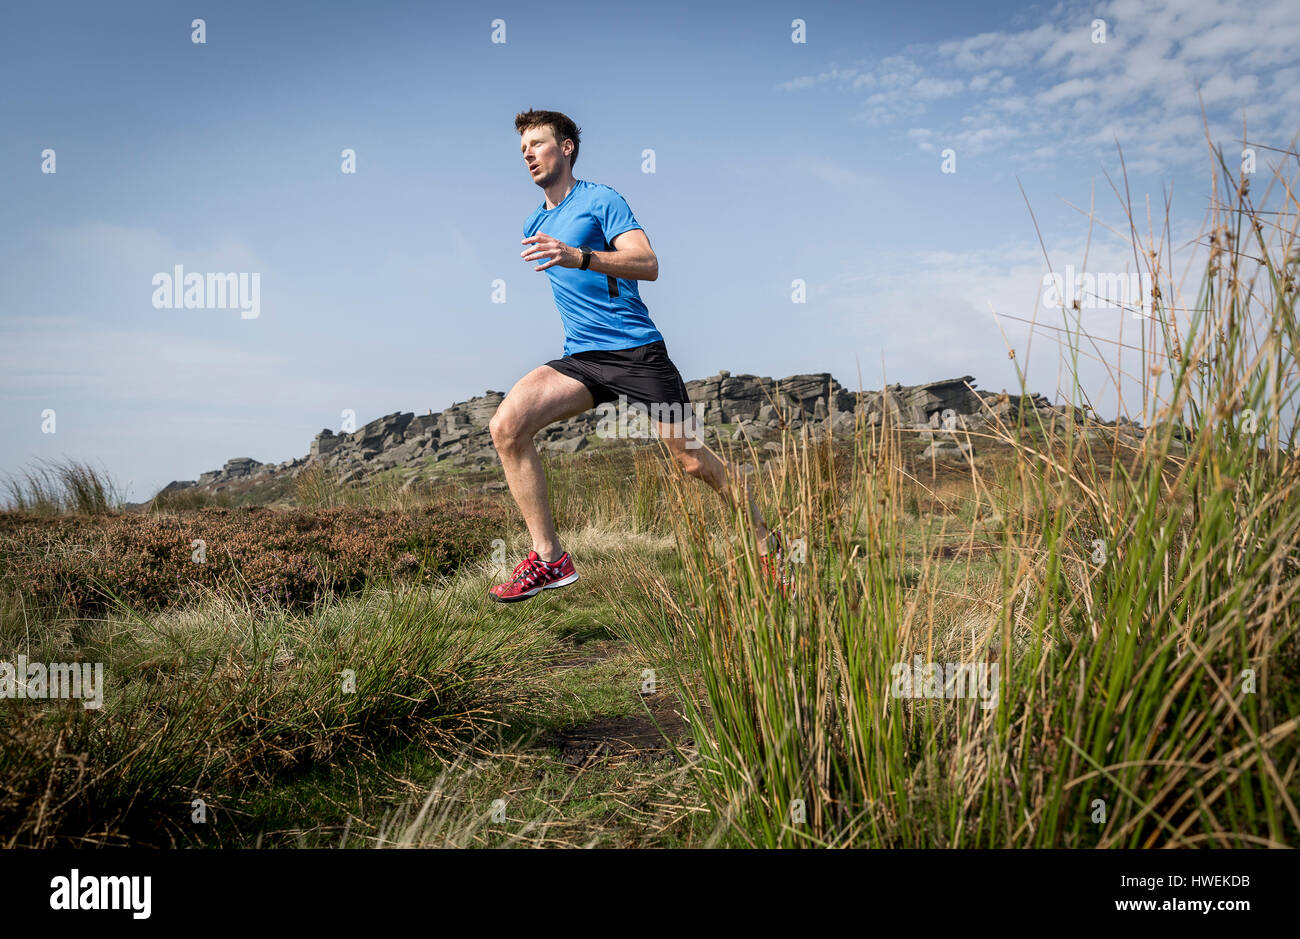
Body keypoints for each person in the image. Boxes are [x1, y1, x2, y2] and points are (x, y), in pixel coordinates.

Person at [488, 109, 791, 602]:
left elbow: (647, 263)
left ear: (565, 148)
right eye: (522, 148)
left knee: (691, 462)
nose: (527, 154)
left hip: (637, 354)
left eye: (538, 144)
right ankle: (550, 560)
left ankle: (769, 545)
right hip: (582, 359)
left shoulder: (601, 200)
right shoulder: (535, 220)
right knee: (506, 427)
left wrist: (578, 255)